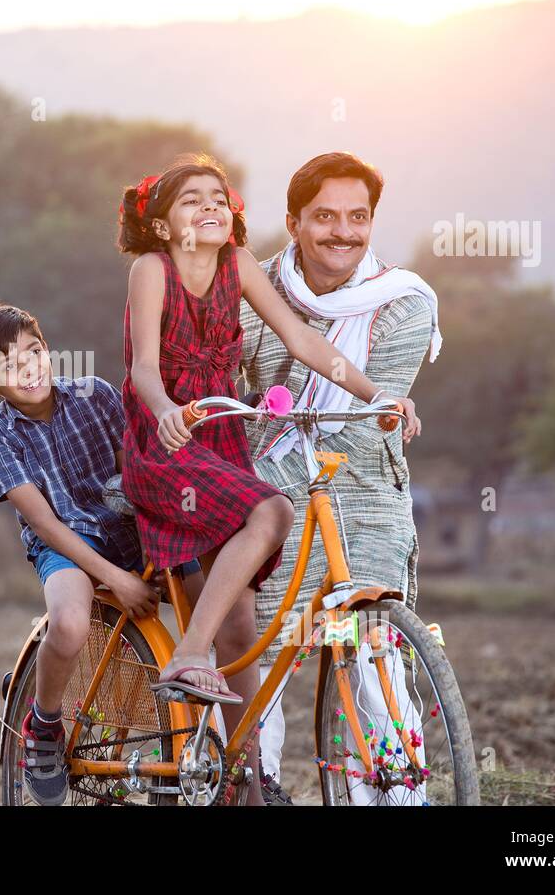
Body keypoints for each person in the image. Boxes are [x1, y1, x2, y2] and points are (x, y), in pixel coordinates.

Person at [117, 153, 419, 804]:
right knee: (275, 511)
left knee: (242, 629)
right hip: (164, 441)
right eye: (192, 200)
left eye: (219, 198)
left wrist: (376, 394)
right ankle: (188, 655)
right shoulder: (152, 270)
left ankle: (246, 783)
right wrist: (168, 411)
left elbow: (307, 343)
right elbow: (143, 367)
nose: (211, 208)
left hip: (221, 443)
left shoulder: (237, 266)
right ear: (164, 226)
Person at [237, 152, 441, 805]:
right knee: (260, 652)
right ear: (294, 221)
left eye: (358, 218)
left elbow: (363, 419)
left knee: (371, 651)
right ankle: (252, 785)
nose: (342, 233)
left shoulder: (405, 304)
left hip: (363, 492)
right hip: (270, 491)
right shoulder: (248, 290)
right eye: (324, 217)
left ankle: (395, 794)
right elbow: (226, 385)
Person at [0, 300, 201, 805]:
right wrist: (117, 577)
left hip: (127, 525)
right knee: (68, 623)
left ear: (48, 351)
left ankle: (219, 741)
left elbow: (133, 477)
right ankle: (44, 726)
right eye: (5, 365)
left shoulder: (96, 395)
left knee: (209, 603)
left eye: (32, 352)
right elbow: (44, 522)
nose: (26, 368)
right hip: (68, 539)